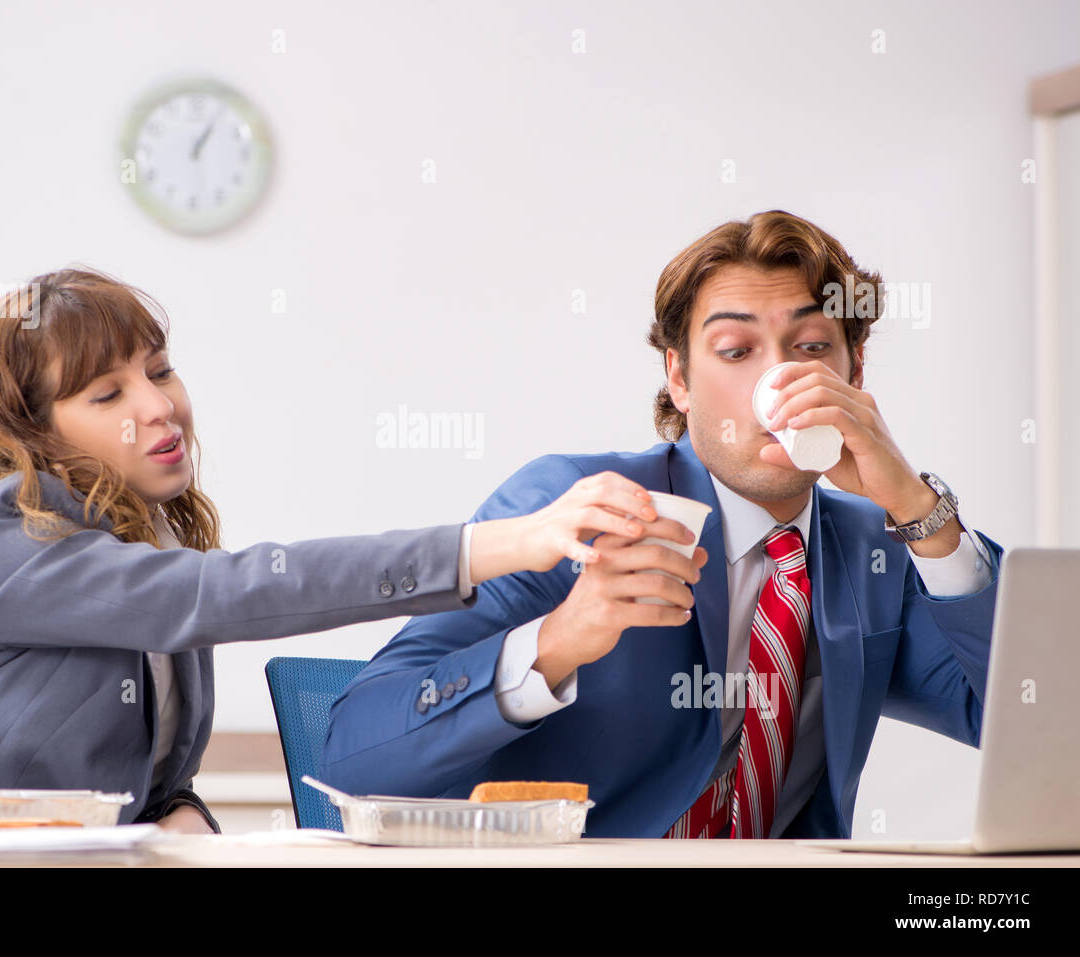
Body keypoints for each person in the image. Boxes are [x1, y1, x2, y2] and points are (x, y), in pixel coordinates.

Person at [0, 266, 662, 831]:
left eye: (160, 370)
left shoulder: (141, 540)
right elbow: (240, 590)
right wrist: (505, 543)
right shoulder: (13, 536)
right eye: (108, 392)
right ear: (35, 433)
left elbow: (133, 774)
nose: (160, 406)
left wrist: (180, 808)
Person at [320, 210, 1003, 840]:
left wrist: (919, 509)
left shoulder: (875, 548)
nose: (782, 378)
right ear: (678, 377)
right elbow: (352, 754)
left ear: (854, 370)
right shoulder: (575, 508)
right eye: (737, 350)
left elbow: (1027, 715)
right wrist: (557, 641)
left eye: (813, 344)